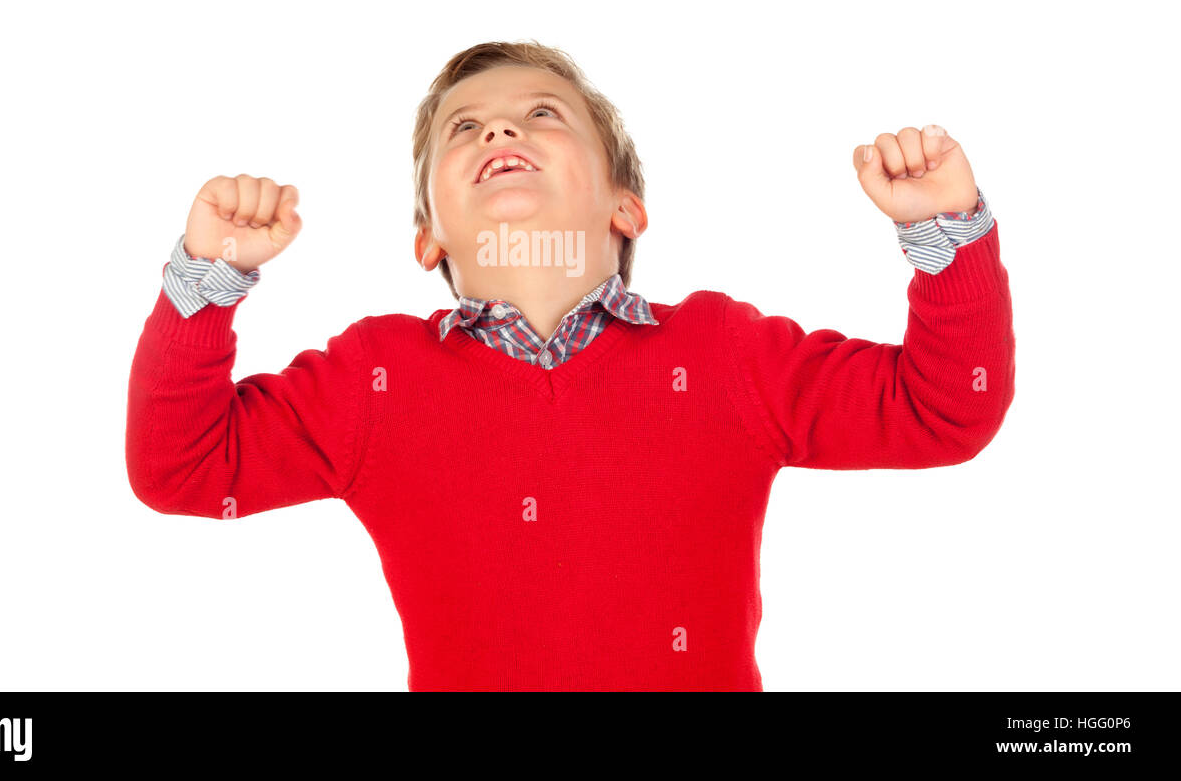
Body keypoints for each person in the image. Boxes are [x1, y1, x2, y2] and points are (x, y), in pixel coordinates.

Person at [126, 40, 1015, 690]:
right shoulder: (373, 379)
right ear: (427, 234)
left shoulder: (724, 353)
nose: (500, 126)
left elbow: (944, 410)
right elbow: (182, 466)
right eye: (464, 128)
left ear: (626, 206)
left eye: (541, 114)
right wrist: (210, 280)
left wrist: (944, 234)